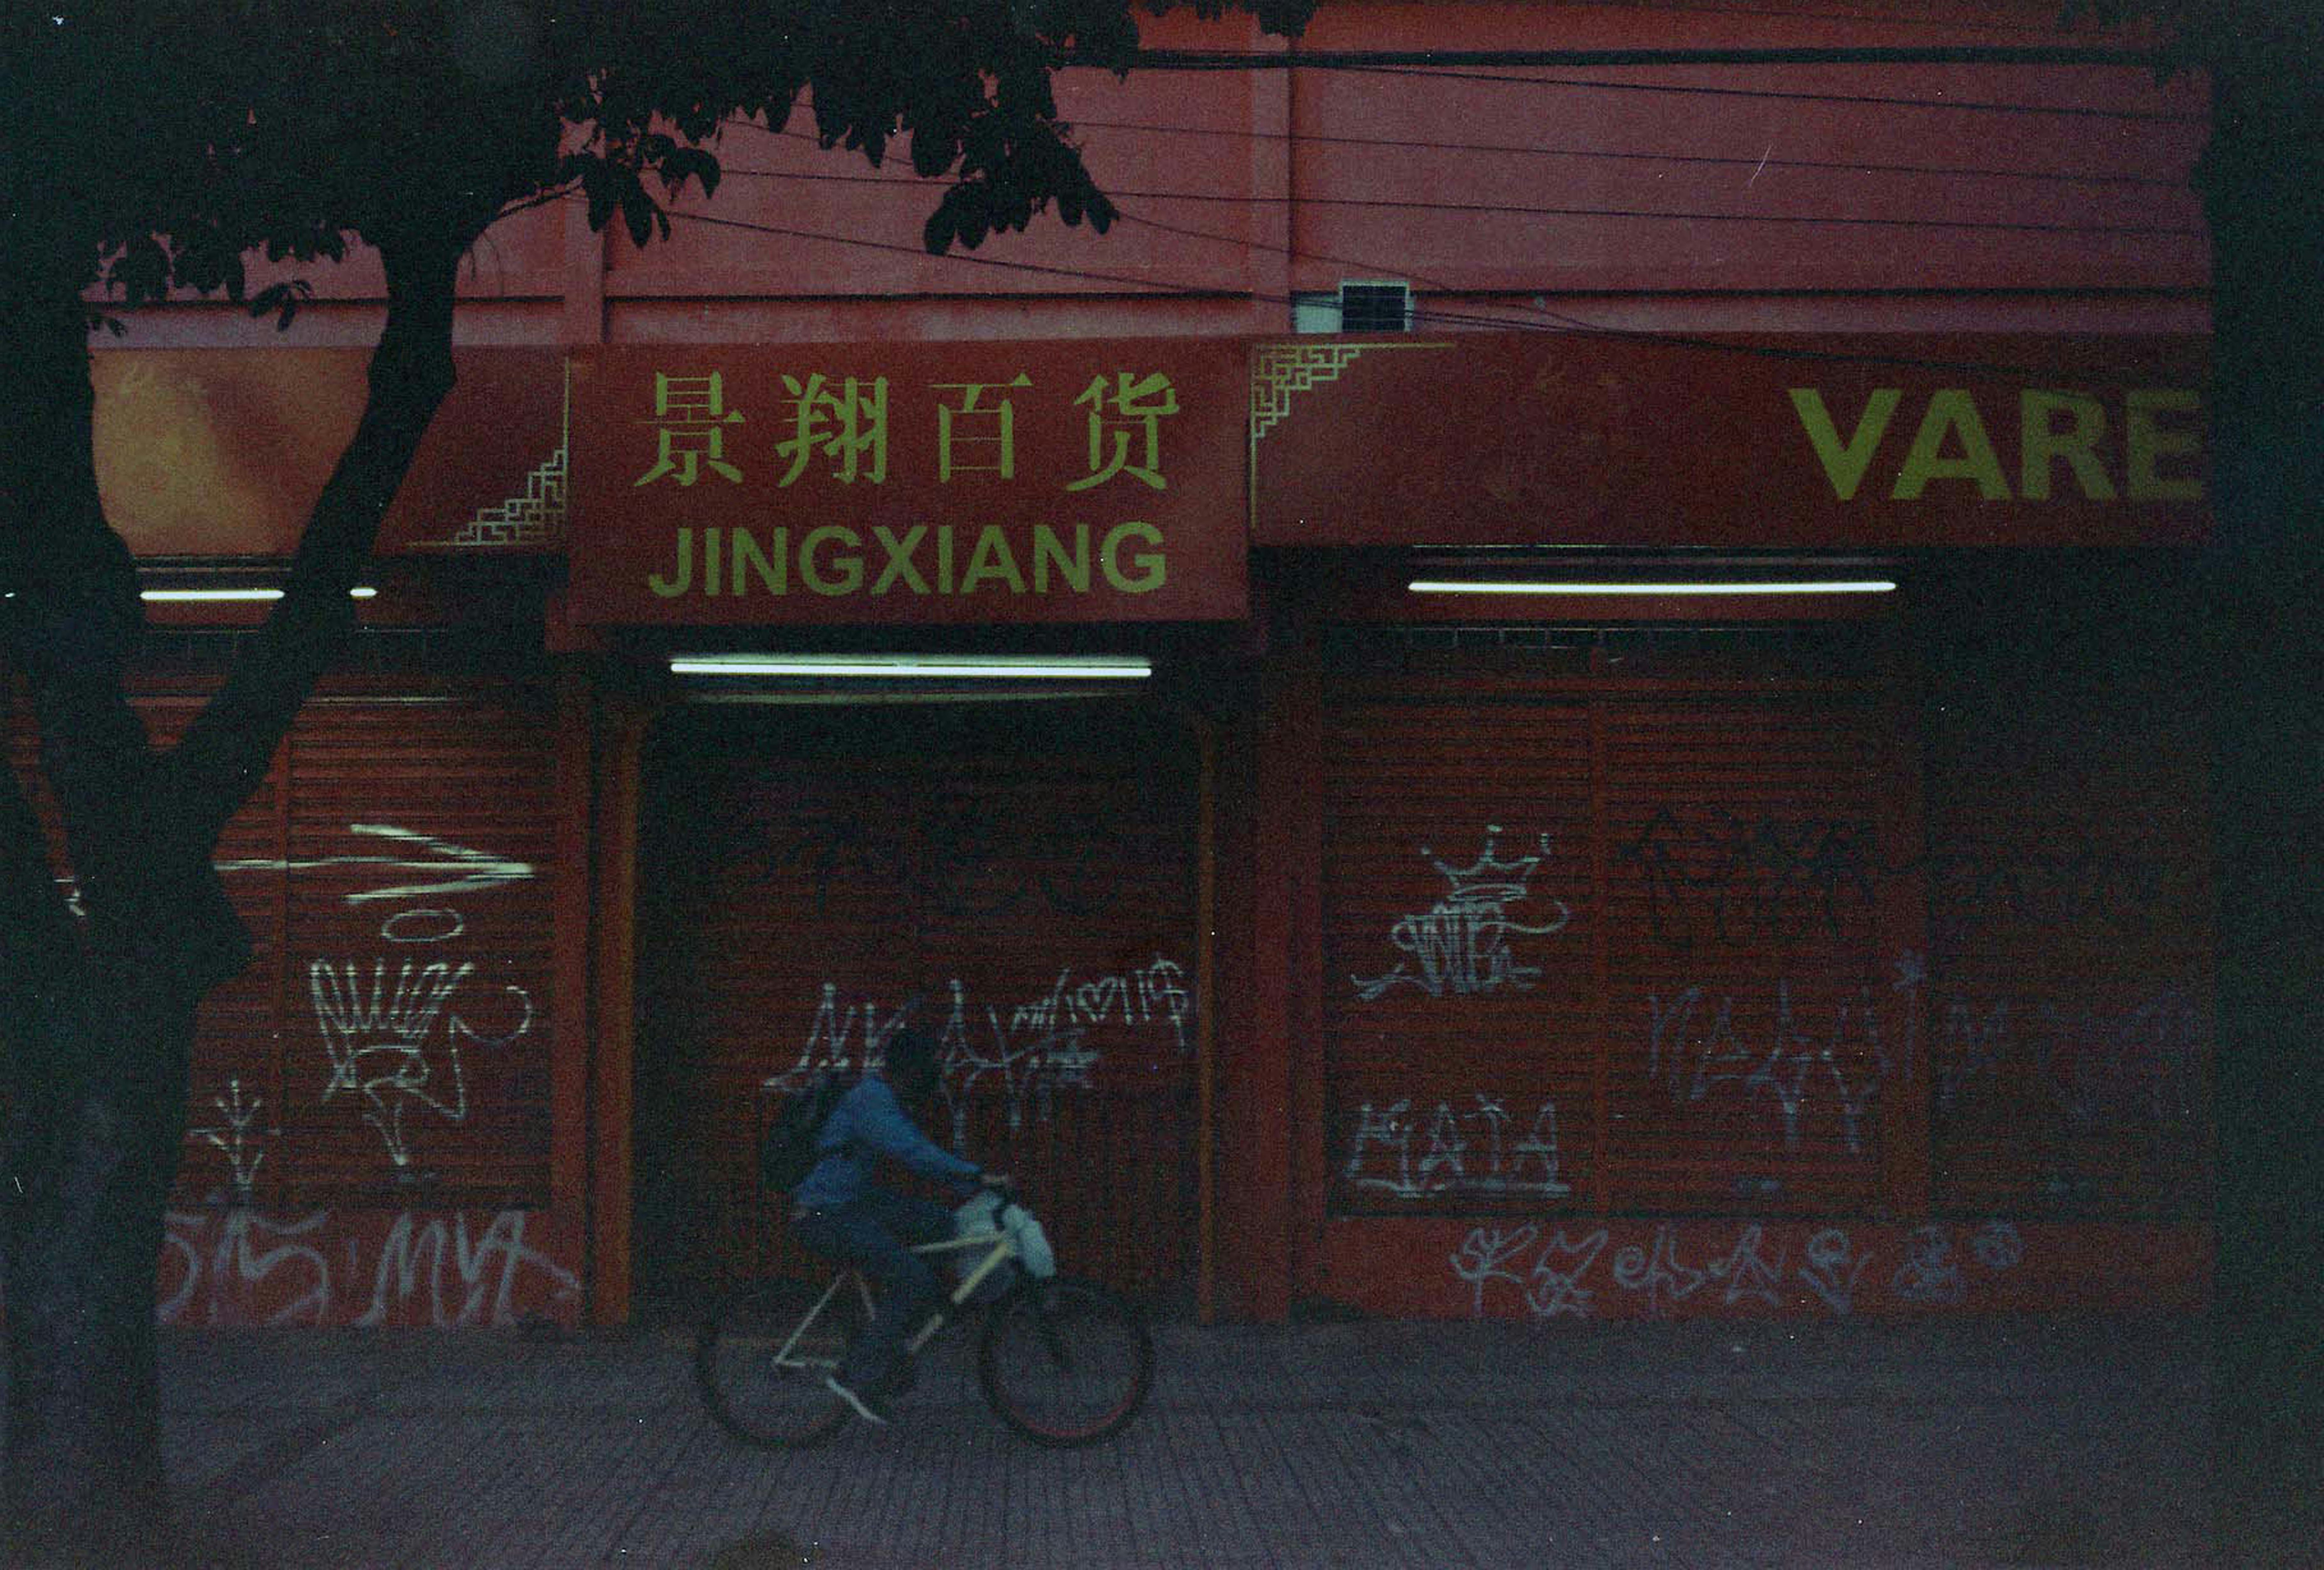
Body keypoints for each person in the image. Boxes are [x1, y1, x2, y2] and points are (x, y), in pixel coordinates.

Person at [790, 1025, 1000, 1425]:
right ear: (912, 1069)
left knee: (941, 1222)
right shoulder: (871, 1101)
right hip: (825, 1213)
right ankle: (858, 1375)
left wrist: (967, 1184)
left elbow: (916, 1150)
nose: (935, 1077)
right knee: (912, 1279)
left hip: (853, 1202)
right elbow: (912, 1151)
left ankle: (907, 1323)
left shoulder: (883, 1096)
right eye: (930, 1068)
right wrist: (976, 1176)